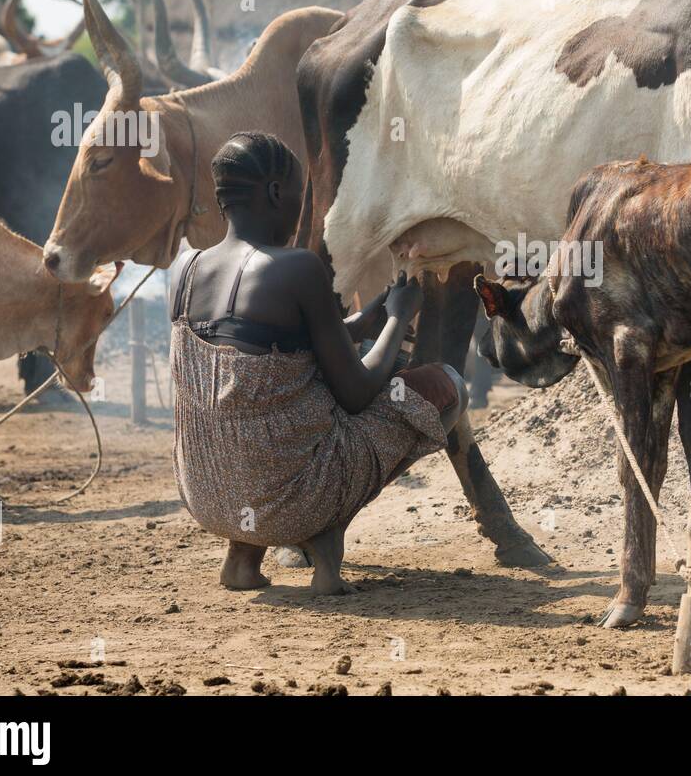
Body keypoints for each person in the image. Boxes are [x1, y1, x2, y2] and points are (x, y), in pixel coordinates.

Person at [168, 131, 467, 595]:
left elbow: (273, 351)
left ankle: (242, 560)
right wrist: (398, 319)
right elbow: (356, 392)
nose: (302, 209)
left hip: (207, 497)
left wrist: (368, 318)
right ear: (275, 193)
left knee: (254, 407)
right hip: (291, 501)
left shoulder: (185, 270)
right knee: (443, 385)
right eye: (299, 195)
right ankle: (326, 540)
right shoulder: (296, 267)